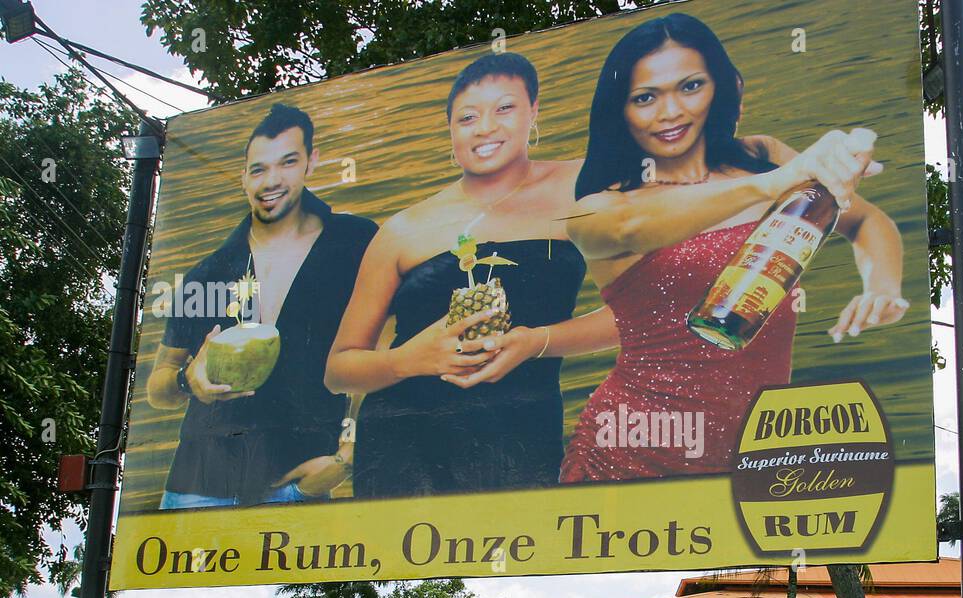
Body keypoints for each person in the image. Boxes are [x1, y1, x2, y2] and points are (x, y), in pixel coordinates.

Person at [560, 12, 906, 482]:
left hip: (752, 451)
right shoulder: (604, 205)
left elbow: (866, 219)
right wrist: (776, 184)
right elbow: (626, 229)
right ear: (619, 109)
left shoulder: (759, 156)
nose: (670, 113)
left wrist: (881, 287)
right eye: (645, 97)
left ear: (721, 87)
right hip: (632, 450)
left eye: (690, 87)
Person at [325, 52, 618, 496]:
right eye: (468, 117)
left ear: (533, 112)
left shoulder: (581, 186)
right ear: (451, 129)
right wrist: (405, 360)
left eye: (504, 108)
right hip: (401, 448)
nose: (485, 127)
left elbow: (642, 315)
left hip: (521, 439)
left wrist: (537, 342)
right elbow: (339, 368)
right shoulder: (405, 228)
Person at [146, 104, 378, 508]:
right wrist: (188, 381)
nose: (272, 181)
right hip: (198, 488)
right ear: (243, 178)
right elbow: (157, 387)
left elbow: (391, 344)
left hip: (301, 479)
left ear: (312, 161)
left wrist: (349, 454)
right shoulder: (210, 272)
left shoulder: (356, 244)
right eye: (258, 169)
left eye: (288, 163)